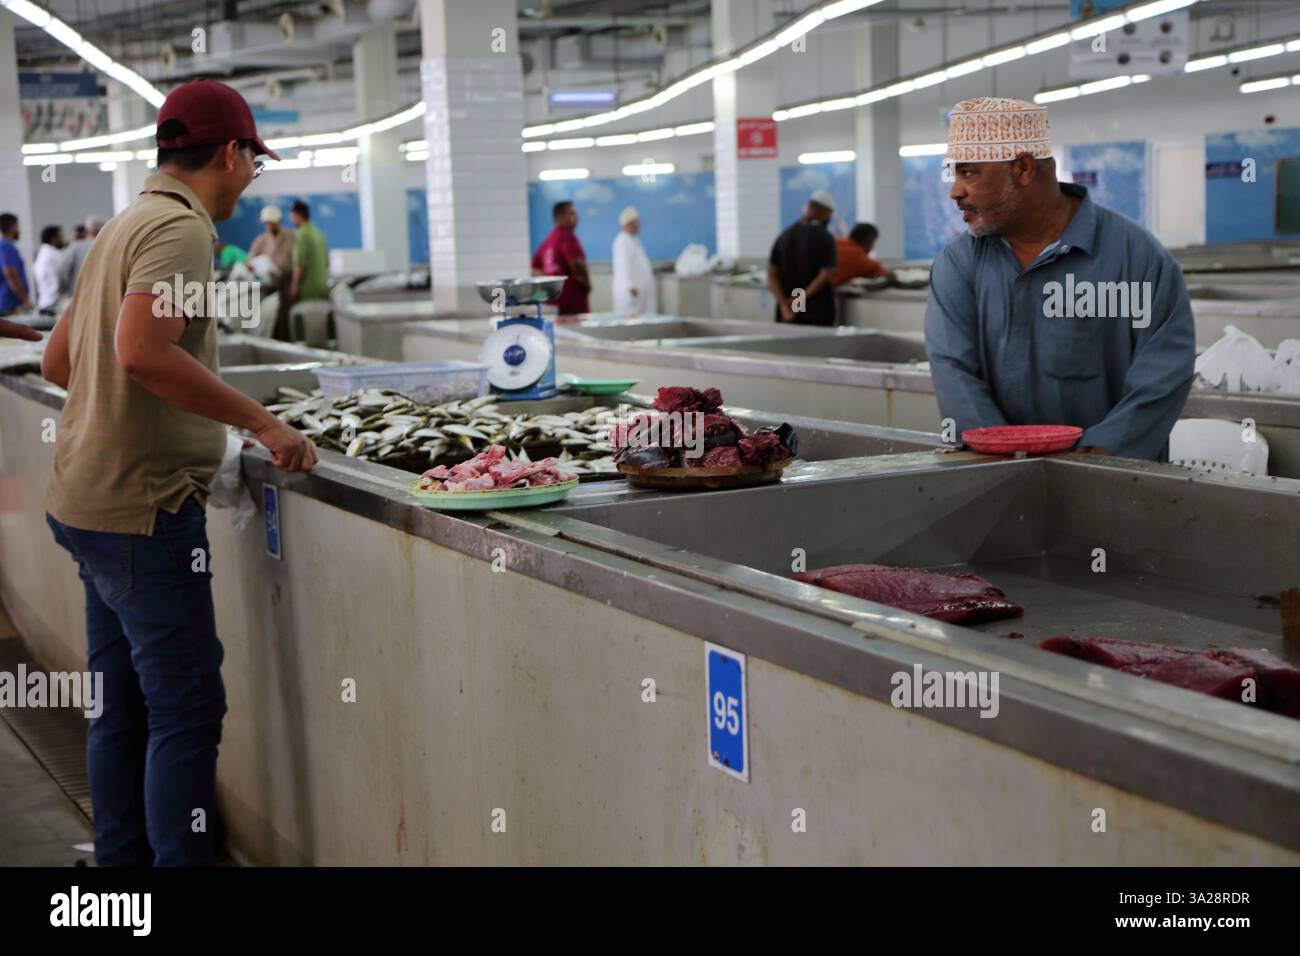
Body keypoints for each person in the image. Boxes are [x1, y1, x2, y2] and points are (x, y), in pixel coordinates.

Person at [40, 78, 317, 868]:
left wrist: (138, 412)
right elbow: (140, 351)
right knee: (187, 709)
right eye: (251, 165)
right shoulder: (182, 229)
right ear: (229, 154)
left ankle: (120, 873)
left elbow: (66, 359)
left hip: (87, 501)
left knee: (120, 707)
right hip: (144, 514)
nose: (247, 180)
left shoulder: (122, 225)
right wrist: (259, 421)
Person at [924, 96, 1194, 461]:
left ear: (1022, 168)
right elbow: (953, 371)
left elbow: (1162, 376)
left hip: (1112, 483)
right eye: (955, 174)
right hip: (997, 479)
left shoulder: (1136, 258)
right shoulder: (959, 265)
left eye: (969, 172)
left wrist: (1095, 457)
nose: (955, 191)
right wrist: (1005, 461)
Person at [767, 190, 838, 326]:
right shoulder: (825, 237)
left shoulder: (784, 236)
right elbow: (826, 275)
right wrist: (800, 299)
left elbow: (771, 274)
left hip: (787, 313)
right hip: (816, 312)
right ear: (824, 212)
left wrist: (783, 304)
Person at [531, 200, 590, 317]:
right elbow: (576, 263)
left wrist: (549, 282)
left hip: (553, 302)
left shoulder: (548, 240)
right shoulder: (567, 236)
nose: (577, 216)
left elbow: (534, 267)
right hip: (572, 302)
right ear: (560, 216)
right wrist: (587, 282)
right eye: (572, 213)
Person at [280, 199, 329, 339]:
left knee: (305, 325)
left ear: (296, 215)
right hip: (322, 285)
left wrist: (294, 286)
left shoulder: (301, 234)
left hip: (309, 288)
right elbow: (326, 261)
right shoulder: (318, 233)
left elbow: (299, 264)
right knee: (320, 324)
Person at [611, 206, 656, 316]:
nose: (639, 225)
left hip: (638, 293)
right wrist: (630, 286)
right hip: (631, 294)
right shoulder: (622, 241)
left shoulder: (632, 240)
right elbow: (623, 266)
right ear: (629, 223)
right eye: (636, 222)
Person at [832, 222, 895, 287]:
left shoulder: (835, 242)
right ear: (869, 241)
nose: (873, 247)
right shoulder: (860, 259)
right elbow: (890, 275)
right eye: (873, 243)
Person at [60, 216, 105, 293]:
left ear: (87, 230)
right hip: (101, 293)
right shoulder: (107, 245)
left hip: (78, 293)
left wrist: (65, 288)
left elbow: (64, 271)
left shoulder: (75, 247)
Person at [248, 204, 293, 278]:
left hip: (287, 278)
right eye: (267, 223)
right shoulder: (262, 239)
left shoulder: (291, 237)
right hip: (269, 280)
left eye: (271, 222)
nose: (269, 225)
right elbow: (251, 256)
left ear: (279, 221)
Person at [0, 213, 30, 315]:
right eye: (17, 226)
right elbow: (10, 273)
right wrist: (25, 299)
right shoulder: (6, 246)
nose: (19, 230)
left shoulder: (6, 246)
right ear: (12, 227)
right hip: (9, 305)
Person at [33, 225, 68, 311]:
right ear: (54, 239)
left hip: (44, 301)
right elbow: (63, 278)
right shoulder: (55, 255)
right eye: (61, 237)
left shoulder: (41, 254)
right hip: (55, 302)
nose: (63, 240)